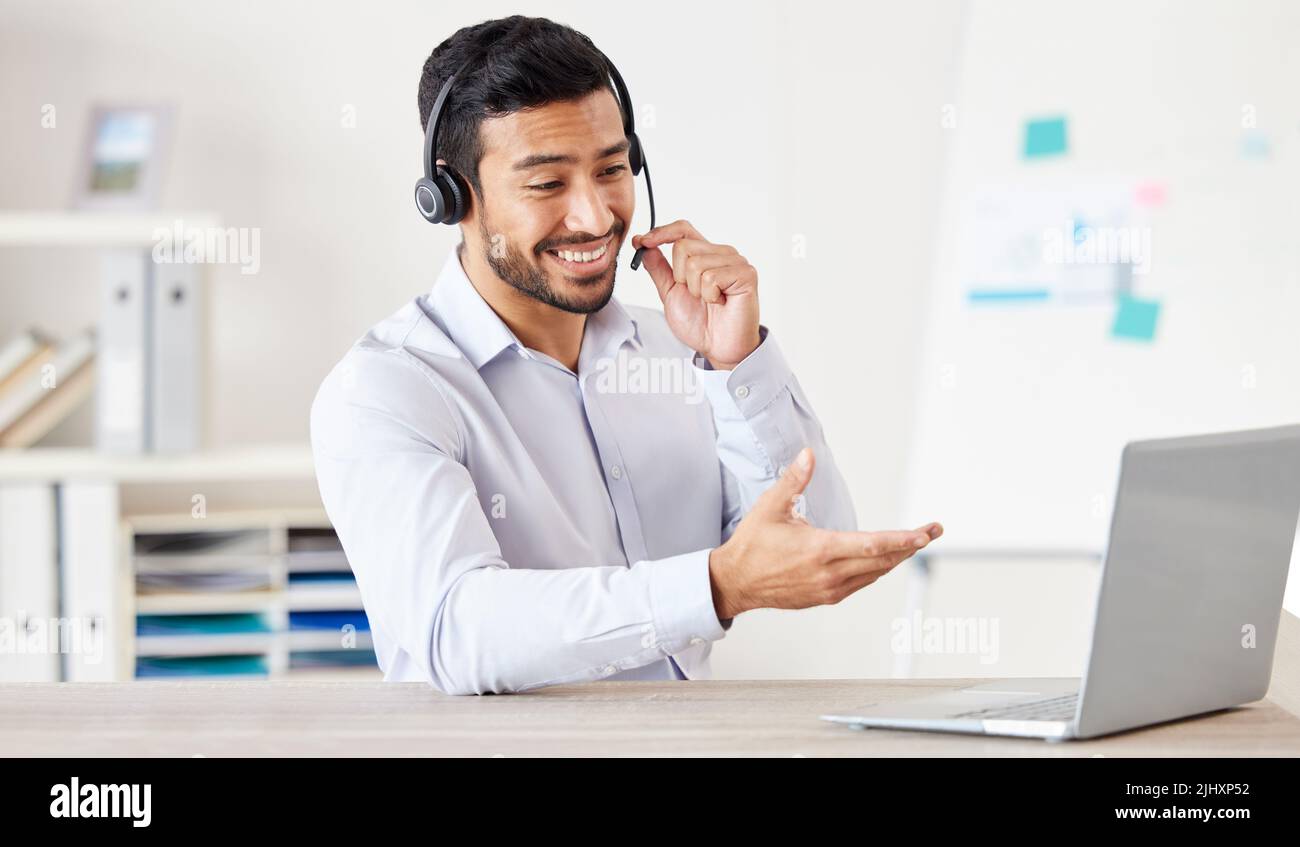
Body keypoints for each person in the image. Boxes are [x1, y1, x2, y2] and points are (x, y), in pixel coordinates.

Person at [311, 15, 941, 694]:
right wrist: (713, 586)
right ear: (451, 195)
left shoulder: (680, 346)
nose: (594, 215)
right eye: (547, 185)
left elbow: (818, 543)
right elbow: (457, 629)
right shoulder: (388, 388)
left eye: (611, 169)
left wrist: (738, 367)